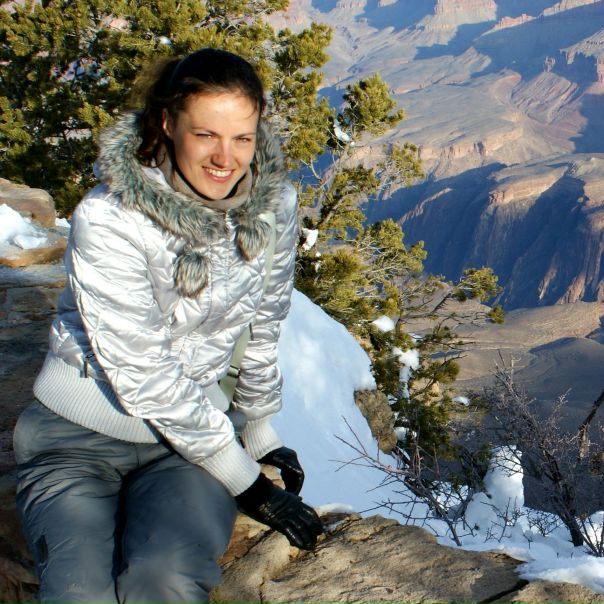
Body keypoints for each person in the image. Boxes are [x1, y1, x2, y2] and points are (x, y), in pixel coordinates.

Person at [13, 48, 323, 604]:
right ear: (166, 123)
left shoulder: (273, 205)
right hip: (73, 442)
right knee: (78, 593)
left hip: (182, 448)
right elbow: (144, 371)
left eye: (242, 138)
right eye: (206, 135)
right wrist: (248, 484)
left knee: (165, 580)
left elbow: (263, 320)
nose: (225, 158)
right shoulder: (109, 217)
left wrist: (257, 428)